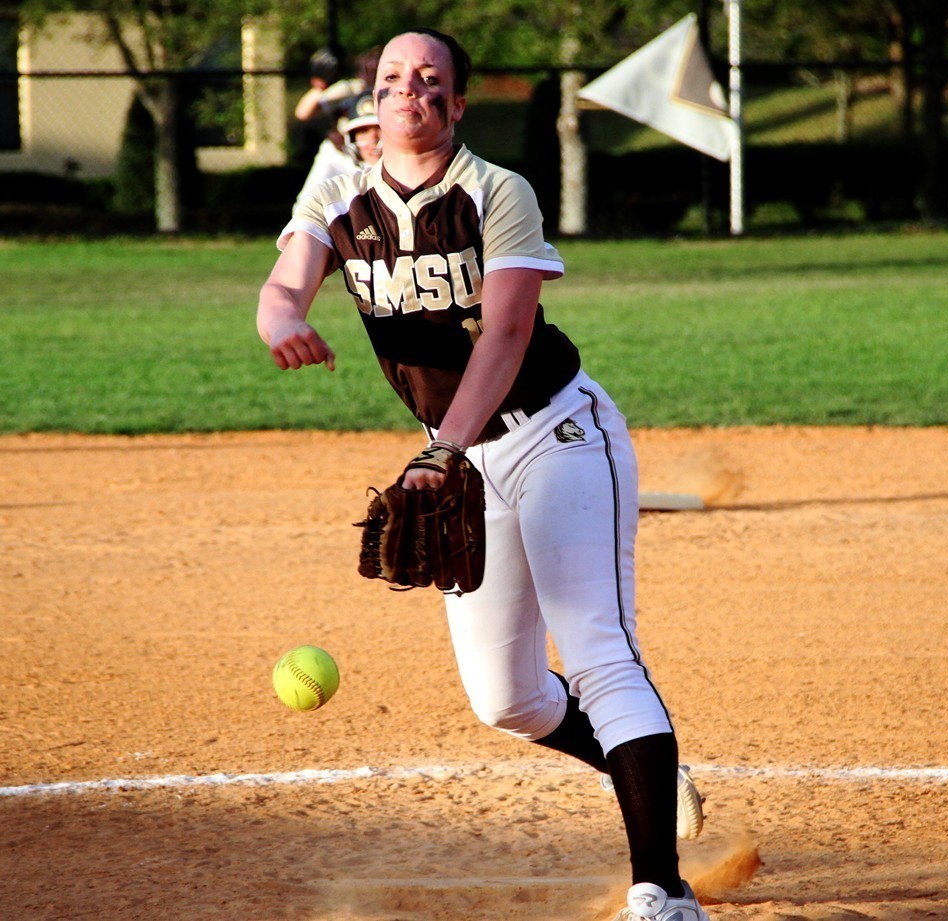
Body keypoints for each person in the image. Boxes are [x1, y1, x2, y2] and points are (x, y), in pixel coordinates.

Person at [256, 28, 709, 921]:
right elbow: (283, 289)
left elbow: (503, 337)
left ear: (457, 104)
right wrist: (280, 326)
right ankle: (643, 760)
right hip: (459, 459)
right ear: (372, 100)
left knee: (601, 650)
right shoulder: (338, 188)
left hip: (555, 434)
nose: (409, 91)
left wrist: (441, 449)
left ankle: (663, 888)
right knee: (509, 699)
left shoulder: (498, 193)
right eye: (392, 78)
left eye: (430, 80)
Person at [292, 46, 382, 205]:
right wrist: (320, 84)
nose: (373, 74)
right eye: (369, 68)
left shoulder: (398, 93)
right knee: (310, 202)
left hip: (383, 155)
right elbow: (303, 113)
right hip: (346, 151)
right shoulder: (351, 89)